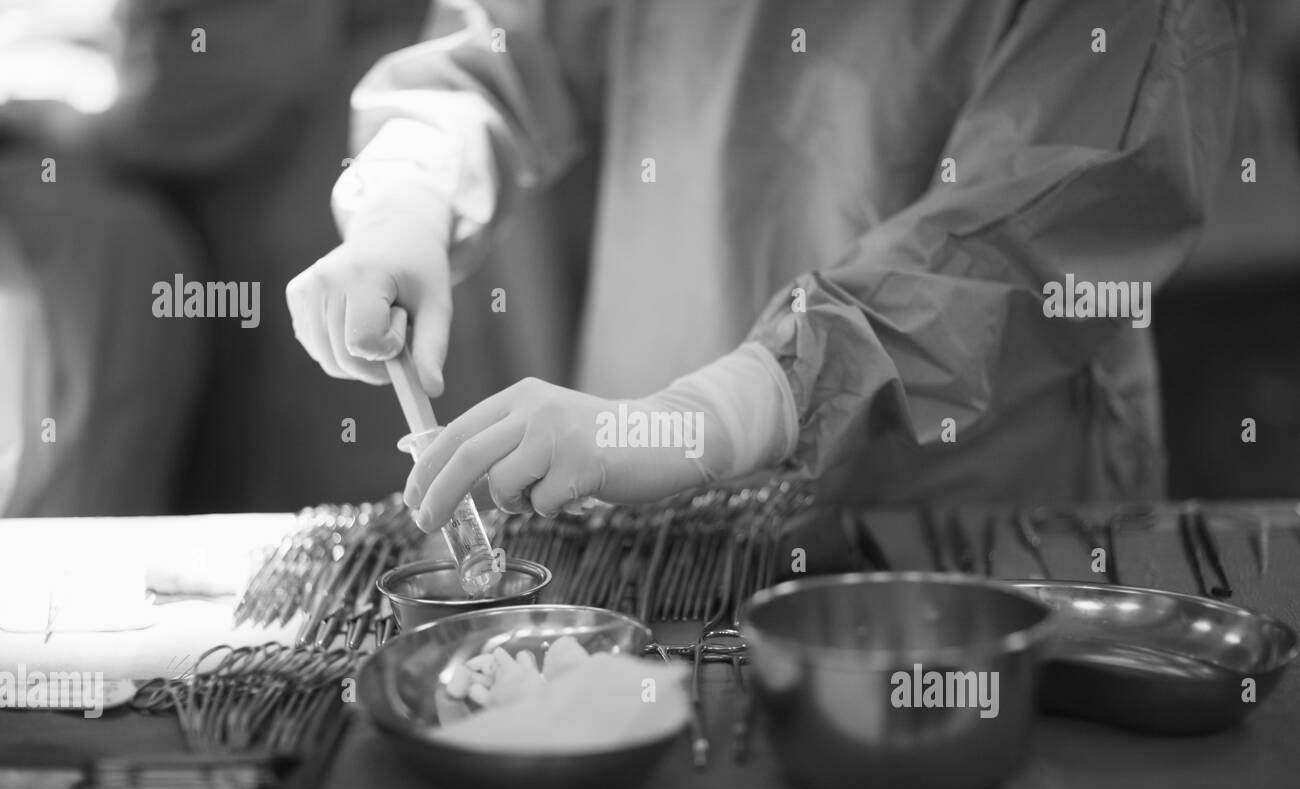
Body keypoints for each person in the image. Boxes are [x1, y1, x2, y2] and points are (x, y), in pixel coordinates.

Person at [286, 0, 1241, 535]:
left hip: (955, 511)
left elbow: (1025, 237)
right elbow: (497, 50)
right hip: (629, 451)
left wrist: (720, 414)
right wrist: (409, 191)